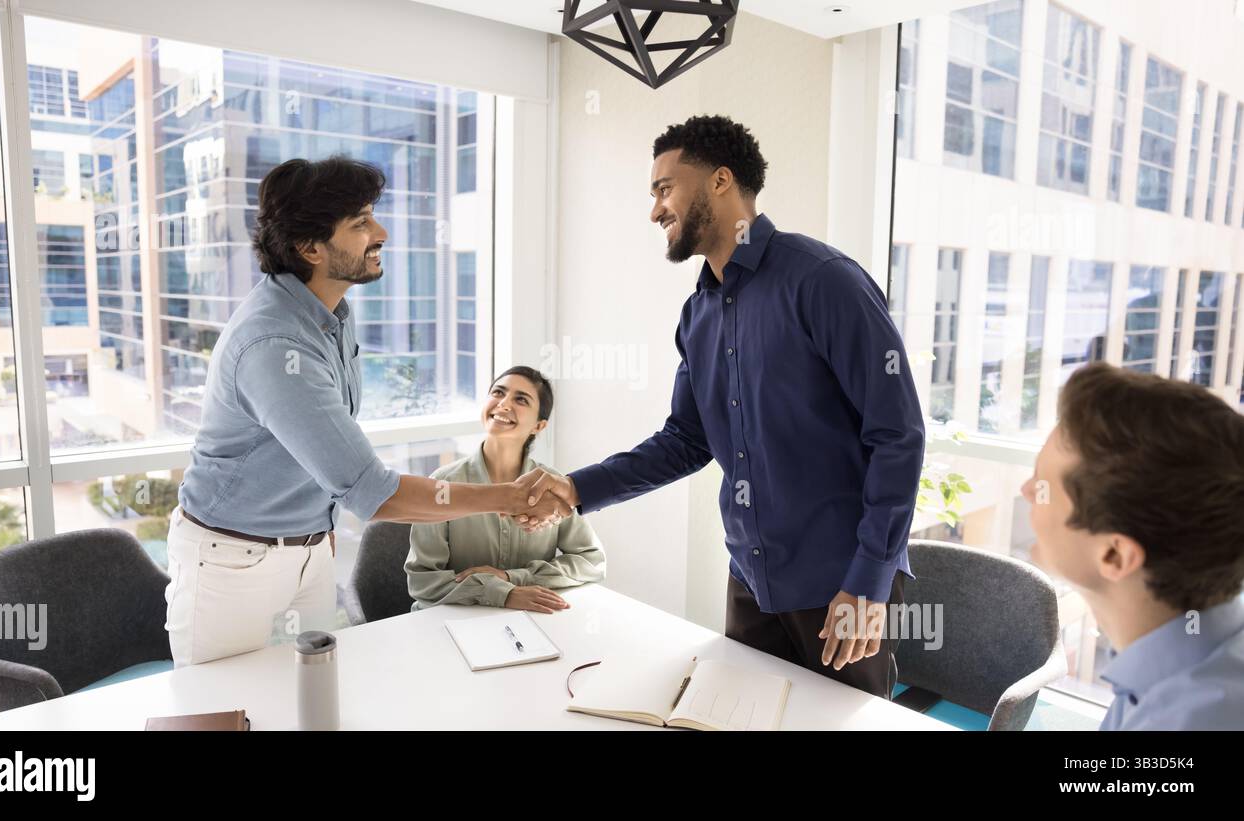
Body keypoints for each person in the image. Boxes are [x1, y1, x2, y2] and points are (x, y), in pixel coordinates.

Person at [521, 115, 925, 698]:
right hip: (751, 578)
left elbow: (898, 436)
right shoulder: (698, 314)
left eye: (664, 188)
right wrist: (575, 489)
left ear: (720, 181)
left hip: (839, 585)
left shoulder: (824, 281)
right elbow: (685, 441)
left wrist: (869, 580)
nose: (655, 210)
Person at [165, 156, 568, 667]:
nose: (381, 232)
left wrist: (319, 533)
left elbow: (327, 460)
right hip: (232, 561)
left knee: (305, 698)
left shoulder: (330, 313)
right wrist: (506, 498)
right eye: (360, 223)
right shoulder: (276, 343)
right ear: (310, 247)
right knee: (219, 713)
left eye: (372, 215)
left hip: (308, 550)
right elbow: (371, 491)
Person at [1021, 362, 1244, 730]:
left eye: (1042, 486)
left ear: (1114, 555)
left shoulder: (1186, 720)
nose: (1026, 491)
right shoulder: (1189, 671)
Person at [406, 366, 605, 613]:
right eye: (498, 393)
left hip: (530, 621)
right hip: (452, 622)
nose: (504, 403)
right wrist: (500, 592)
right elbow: (422, 581)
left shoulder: (552, 486)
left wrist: (513, 578)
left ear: (539, 426)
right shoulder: (443, 484)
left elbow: (592, 561)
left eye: (520, 399)